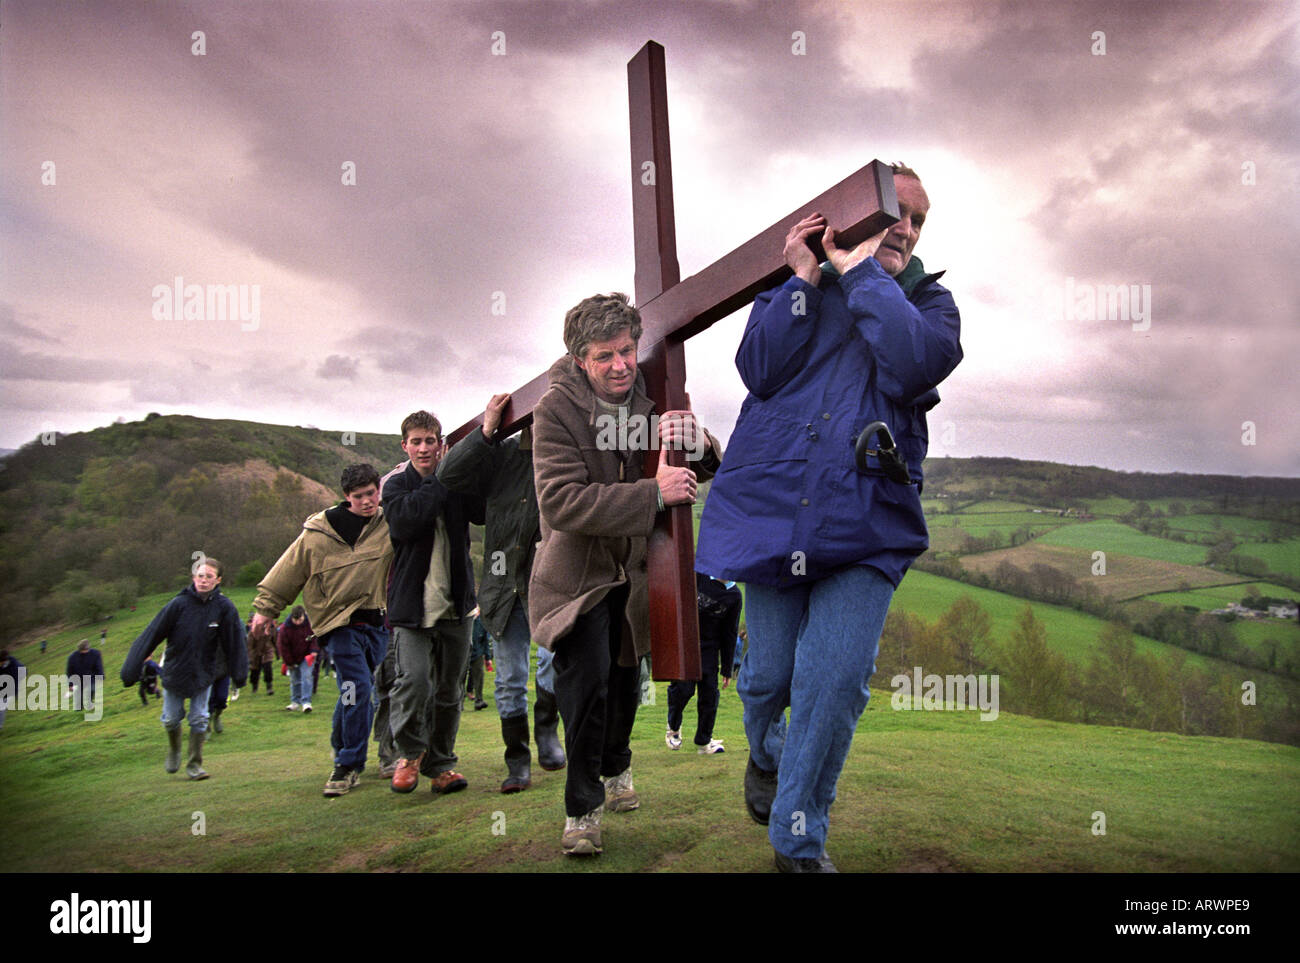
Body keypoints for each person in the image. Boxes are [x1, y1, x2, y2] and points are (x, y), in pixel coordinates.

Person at [695, 164, 962, 872]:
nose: (906, 227)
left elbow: (913, 365)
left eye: (918, 220)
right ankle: (765, 751)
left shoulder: (930, 303)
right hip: (776, 511)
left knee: (834, 680)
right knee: (766, 677)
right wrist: (807, 282)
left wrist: (861, 272)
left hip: (868, 520)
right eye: (893, 211)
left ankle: (798, 838)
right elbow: (758, 367)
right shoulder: (794, 289)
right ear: (855, 212)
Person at [530, 291, 720, 856]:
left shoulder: (647, 401)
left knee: (621, 689)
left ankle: (618, 766)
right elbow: (561, 501)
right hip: (576, 581)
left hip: (634, 577)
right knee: (584, 688)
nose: (620, 365)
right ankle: (581, 810)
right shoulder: (554, 411)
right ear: (581, 359)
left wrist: (702, 444)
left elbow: (695, 465)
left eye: (627, 351)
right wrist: (650, 496)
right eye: (605, 355)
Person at [437, 392, 567, 793]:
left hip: (548, 583)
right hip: (502, 587)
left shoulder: (563, 451)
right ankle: (517, 760)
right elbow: (449, 475)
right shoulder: (500, 456)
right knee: (509, 678)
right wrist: (487, 430)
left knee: (552, 662)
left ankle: (547, 731)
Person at [251, 464, 393, 797]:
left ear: (378, 490)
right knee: (358, 688)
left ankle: (339, 745)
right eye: (359, 497)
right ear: (346, 497)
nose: (367, 501)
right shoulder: (319, 533)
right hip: (338, 624)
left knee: (351, 691)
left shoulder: (388, 523)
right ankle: (348, 765)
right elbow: (288, 571)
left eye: (372, 494)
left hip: (376, 624)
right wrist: (265, 610)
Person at [381, 412, 485, 796]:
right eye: (417, 441)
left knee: (450, 690)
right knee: (413, 682)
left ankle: (441, 766)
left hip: (457, 603)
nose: (424, 448)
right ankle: (409, 754)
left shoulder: (454, 482)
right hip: (412, 606)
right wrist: (444, 477)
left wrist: (473, 461)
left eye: (431, 441)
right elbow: (406, 523)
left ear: (441, 443)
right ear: (404, 445)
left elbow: (483, 512)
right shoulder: (394, 486)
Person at [121, 558, 248, 780]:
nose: (204, 580)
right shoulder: (177, 605)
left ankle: (194, 764)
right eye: (200, 575)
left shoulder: (224, 608)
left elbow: (235, 641)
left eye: (209, 576)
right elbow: (151, 634)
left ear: (218, 580)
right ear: (193, 578)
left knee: (199, 718)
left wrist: (239, 674)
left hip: (204, 673)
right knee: (171, 719)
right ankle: (175, 750)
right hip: (174, 672)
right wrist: (131, 669)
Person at [666, 573, 741, 755]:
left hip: (709, 651)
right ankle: (673, 727)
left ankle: (704, 741)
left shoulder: (734, 596)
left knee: (709, 697)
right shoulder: (700, 577)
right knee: (683, 690)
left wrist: (727, 668)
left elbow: (729, 634)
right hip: (685, 646)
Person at [277, 606, 315, 712]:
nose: (298, 622)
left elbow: (314, 638)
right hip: (292, 657)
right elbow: (283, 647)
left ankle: (306, 702)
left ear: (304, 616)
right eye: (295, 620)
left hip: (307, 656)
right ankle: (295, 702)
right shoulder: (285, 629)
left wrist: (314, 651)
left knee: (306, 677)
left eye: (300, 620)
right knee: (294, 680)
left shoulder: (310, 625)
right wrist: (289, 662)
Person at [66, 638, 105, 711]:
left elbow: (99, 666)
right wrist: (70, 684)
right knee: (78, 697)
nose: (85, 652)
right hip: (78, 679)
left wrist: (101, 677)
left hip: (91, 677)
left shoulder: (95, 654)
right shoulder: (72, 657)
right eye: (83, 651)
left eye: (86, 650)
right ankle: (79, 709)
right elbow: (69, 672)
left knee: (92, 689)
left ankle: (89, 703)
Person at [465, 610, 492, 712]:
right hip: (464, 652)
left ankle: (479, 701)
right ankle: (458, 701)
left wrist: (488, 658)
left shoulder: (481, 622)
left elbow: (485, 640)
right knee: (460, 677)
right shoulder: (465, 620)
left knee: (479, 675)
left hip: (478, 653)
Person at [246, 612, 277, 696]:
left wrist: (277, 651)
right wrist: (251, 656)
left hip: (267, 651)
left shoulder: (271, 627)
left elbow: (274, 639)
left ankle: (269, 687)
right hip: (256, 653)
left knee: (268, 669)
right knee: (255, 671)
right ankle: (254, 687)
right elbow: (249, 645)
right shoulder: (252, 631)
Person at [0, 650, 25, 731]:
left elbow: (24, 671)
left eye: (1, 662)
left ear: (5, 660)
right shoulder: (4, 665)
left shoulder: (14, 665)